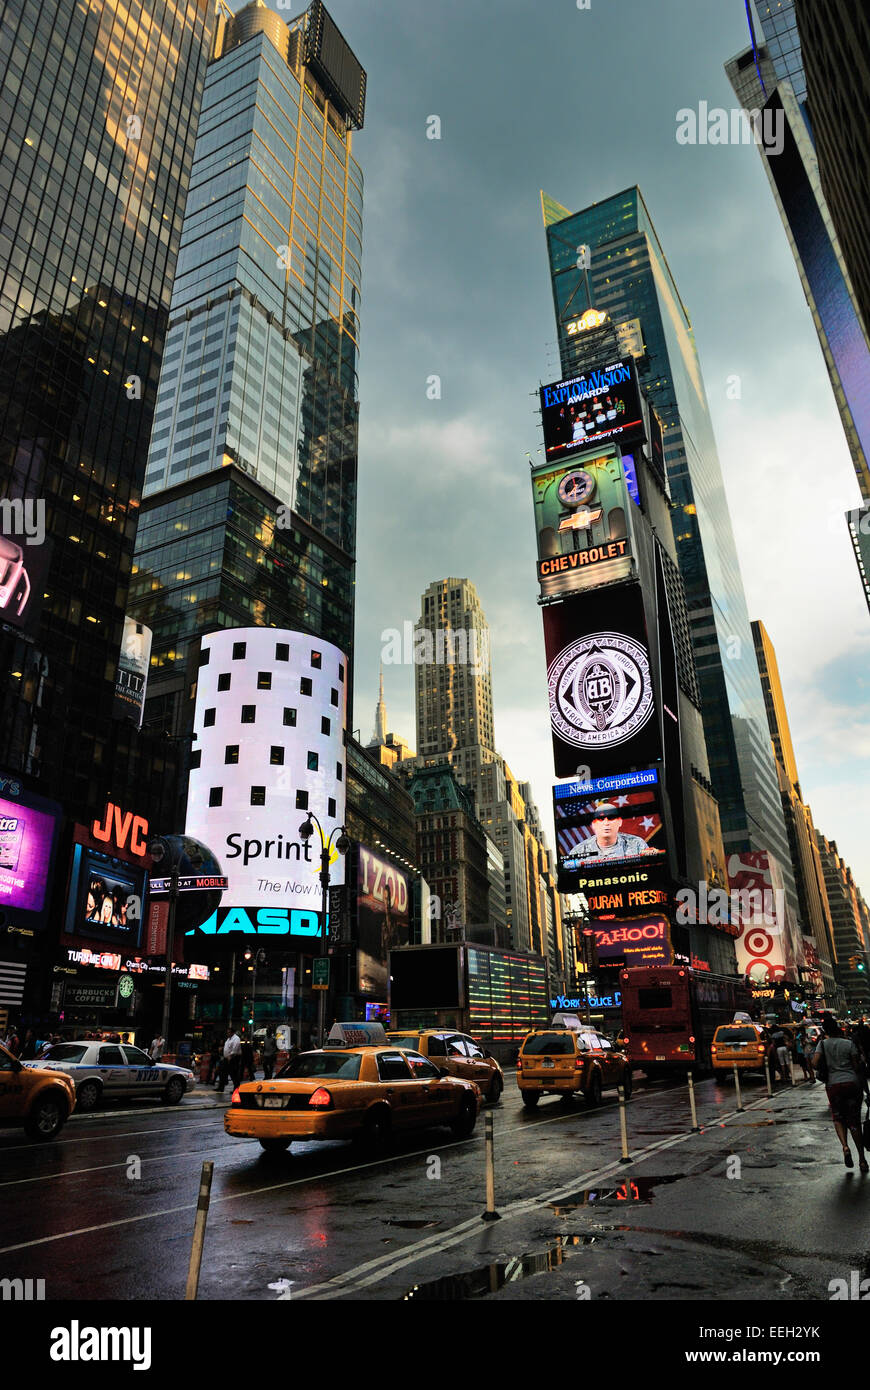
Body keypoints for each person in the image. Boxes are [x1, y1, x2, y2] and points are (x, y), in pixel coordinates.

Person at [814, 1015, 868, 1172]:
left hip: (833, 1085)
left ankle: (845, 1147)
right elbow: (857, 1064)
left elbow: (814, 1063)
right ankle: (862, 1160)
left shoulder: (822, 1044)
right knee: (854, 1121)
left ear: (825, 1030)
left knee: (838, 1118)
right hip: (851, 1083)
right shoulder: (848, 1043)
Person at [570, 801, 665, 864]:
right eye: (601, 818)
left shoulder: (637, 844)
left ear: (620, 822)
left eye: (611, 818)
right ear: (593, 824)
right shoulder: (578, 851)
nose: (606, 823)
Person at [223, 1023, 241, 1090]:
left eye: (229, 1032)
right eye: (227, 1032)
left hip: (233, 1058)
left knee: (234, 1074)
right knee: (227, 1072)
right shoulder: (228, 1039)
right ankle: (225, 1083)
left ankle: (236, 1088)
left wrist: (230, 1056)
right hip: (227, 1058)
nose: (227, 1034)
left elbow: (235, 1050)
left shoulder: (236, 1039)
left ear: (232, 1033)